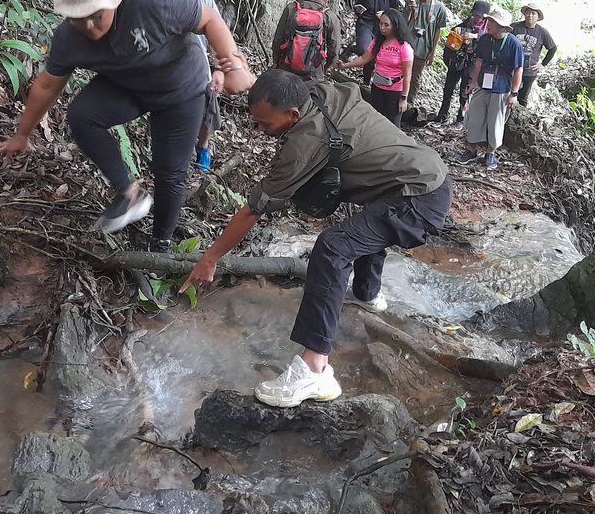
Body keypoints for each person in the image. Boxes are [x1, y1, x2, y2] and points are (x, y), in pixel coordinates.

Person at [178, 70, 452, 408]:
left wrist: (211, 258)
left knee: (333, 247)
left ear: (293, 115)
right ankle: (368, 295)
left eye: (266, 124)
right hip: (416, 175)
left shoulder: (305, 141)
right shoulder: (316, 92)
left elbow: (253, 209)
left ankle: (314, 369)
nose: (261, 131)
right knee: (366, 226)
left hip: (420, 197)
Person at [0, 0, 255, 252]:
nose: (90, 28)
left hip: (180, 88)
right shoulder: (68, 40)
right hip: (128, 87)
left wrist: (233, 66)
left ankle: (160, 244)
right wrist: (22, 134)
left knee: (170, 172)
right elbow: (47, 85)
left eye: (97, 17)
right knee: (82, 115)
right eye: (79, 20)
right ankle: (128, 192)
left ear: (112, 2)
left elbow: (209, 19)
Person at [154, 0, 221, 171]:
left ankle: (203, 148)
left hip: (199, 69)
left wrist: (220, 68)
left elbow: (218, 33)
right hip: (167, 68)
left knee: (205, 112)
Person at [456, 7, 523, 170]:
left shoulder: (514, 44)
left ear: (503, 27)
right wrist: (473, 83)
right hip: (483, 85)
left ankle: (490, 152)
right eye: (489, 20)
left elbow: (518, 69)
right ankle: (471, 150)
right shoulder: (485, 39)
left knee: (495, 123)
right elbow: (479, 61)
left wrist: (514, 93)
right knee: (475, 118)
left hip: (501, 88)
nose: (489, 23)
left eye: (493, 21)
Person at [335, 9, 414, 127]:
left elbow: (407, 74)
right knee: (375, 122)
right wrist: (344, 66)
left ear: (395, 25)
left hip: (395, 92)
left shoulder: (404, 47)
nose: (382, 27)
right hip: (377, 88)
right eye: (381, 24)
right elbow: (363, 59)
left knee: (392, 127)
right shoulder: (377, 42)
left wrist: (404, 98)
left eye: (386, 25)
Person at [271, 0, 341, 79]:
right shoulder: (329, 16)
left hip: (286, 67)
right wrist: (325, 68)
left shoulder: (291, 8)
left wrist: (276, 62)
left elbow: (278, 39)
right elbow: (334, 49)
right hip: (313, 72)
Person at [436, 0, 490, 126]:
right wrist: (459, 30)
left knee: (465, 91)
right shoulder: (469, 21)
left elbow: (489, 41)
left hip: (473, 62)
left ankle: (461, 118)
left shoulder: (488, 27)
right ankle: (442, 114)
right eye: (475, 15)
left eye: (479, 16)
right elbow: (455, 30)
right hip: (459, 59)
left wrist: (475, 37)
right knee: (448, 87)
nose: (476, 18)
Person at [404, 0, 448, 107]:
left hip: (424, 48)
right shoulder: (412, 2)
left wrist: (432, 51)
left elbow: (438, 31)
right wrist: (410, 10)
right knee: (402, 72)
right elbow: (403, 23)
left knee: (415, 77)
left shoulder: (439, 8)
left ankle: (409, 102)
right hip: (407, 45)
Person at [352, 0, 401, 85]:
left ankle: (367, 80)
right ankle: (352, 50)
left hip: (383, 27)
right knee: (364, 49)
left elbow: (396, 12)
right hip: (366, 23)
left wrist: (385, 15)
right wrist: (359, 10)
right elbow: (358, 6)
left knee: (376, 53)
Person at [511, 3, 557, 107]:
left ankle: (517, 120)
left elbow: (553, 48)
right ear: (524, 14)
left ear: (538, 16)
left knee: (522, 98)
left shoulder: (542, 32)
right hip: (512, 67)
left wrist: (543, 64)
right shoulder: (515, 27)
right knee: (508, 94)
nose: (530, 15)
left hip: (529, 71)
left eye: (533, 13)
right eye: (528, 13)